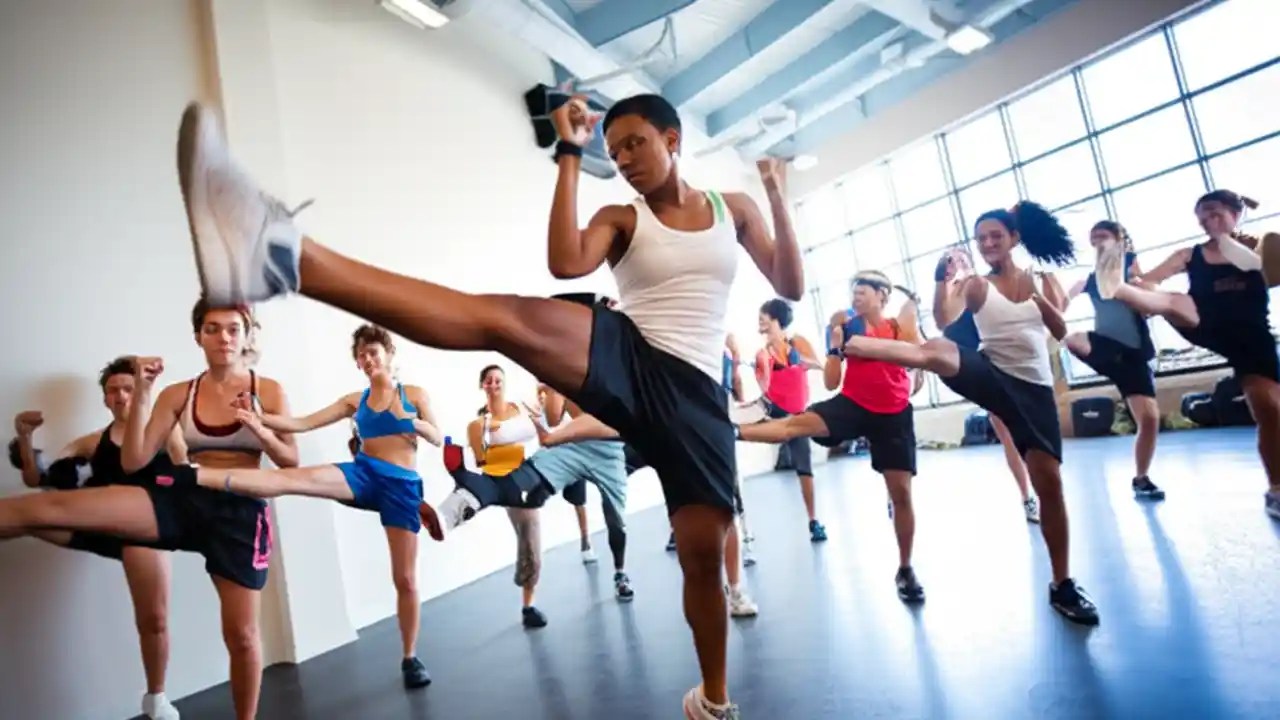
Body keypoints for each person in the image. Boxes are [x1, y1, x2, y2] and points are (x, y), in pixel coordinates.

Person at [175, 88, 802, 718]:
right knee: (499, 318)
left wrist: (775, 190)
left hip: (698, 396)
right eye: (615, 151)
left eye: (636, 143)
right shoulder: (622, 217)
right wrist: (569, 153)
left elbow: (790, 284)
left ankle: (715, 698)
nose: (627, 159)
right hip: (632, 352)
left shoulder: (734, 208)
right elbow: (564, 264)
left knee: (700, 558)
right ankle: (281, 256)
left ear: (672, 140)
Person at [0, 301, 297, 720]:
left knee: (243, 636)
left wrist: (258, 427)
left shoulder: (269, 390)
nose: (224, 338)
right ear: (198, 336)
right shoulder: (179, 393)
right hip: (185, 496)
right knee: (43, 507)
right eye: (212, 329)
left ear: (247, 335)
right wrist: (141, 391)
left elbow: (290, 461)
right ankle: (156, 696)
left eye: (233, 329)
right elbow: (133, 463)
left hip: (240, 511)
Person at [837, 202, 1098, 625]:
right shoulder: (977, 285)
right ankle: (859, 346)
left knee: (1049, 483)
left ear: (1014, 238)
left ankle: (1062, 583)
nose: (989, 244)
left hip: (1034, 390)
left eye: (996, 235)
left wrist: (1038, 298)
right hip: (992, 374)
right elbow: (944, 318)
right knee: (938, 349)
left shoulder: (1042, 278)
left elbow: (1059, 328)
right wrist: (943, 281)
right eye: (981, 239)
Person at [177, 323, 440, 688]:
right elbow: (301, 423)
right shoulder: (354, 401)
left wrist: (417, 425)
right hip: (363, 475)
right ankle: (198, 475)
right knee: (293, 479)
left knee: (406, 579)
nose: (367, 360)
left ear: (388, 353)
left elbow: (439, 437)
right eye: (361, 355)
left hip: (401, 486)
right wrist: (259, 418)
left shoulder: (413, 393)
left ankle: (410, 656)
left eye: (372, 353)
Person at [10, 357, 186, 720]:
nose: (121, 396)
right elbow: (38, 480)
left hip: (145, 530)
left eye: (128, 388)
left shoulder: (164, 430)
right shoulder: (92, 442)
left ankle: (156, 697)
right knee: (30, 517)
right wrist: (25, 437)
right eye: (113, 391)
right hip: (101, 527)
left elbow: (186, 470)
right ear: (105, 399)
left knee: (153, 619)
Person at [737, 271, 926, 602]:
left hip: (894, 412)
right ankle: (733, 431)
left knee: (902, 496)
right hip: (852, 403)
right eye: (853, 292)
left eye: (862, 291)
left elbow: (917, 355)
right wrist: (836, 348)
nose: (855, 297)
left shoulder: (899, 326)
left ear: (882, 295)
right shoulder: (844, 325)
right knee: (795, 426)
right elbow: (829, 382)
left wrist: (918, 363)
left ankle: (906, 568)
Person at [1096, 189, 1279, 519]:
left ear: (1235, 213)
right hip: (1202, 320)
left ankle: (1276, 488)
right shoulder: (1190, 254)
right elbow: (1151, 279)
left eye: (1215, 214)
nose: (1209, 222)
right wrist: (1137, 283)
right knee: (1169, 299)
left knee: (1269, 410)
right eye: (1203, 217)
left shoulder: (1258, 246)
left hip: (1251, 339)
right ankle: (1116, 287)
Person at [438, 377, 637, 602]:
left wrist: (541, 422)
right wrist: (553, 390)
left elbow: (553, 436)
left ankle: (620, 573)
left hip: (609, 454)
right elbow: (554, 419)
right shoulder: (568, 377)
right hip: (575, 447)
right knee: (529, 491)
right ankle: (469, 497)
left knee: (616, 522)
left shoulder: (615, 391)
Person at [1063, 221, 1164, 500]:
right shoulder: (1088, 279)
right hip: (1106, 347)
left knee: (1150, 418)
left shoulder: (1130, 265)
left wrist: (1145, 295)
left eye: (1104, 236)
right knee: (1072, 339)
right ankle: (1113, 366)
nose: (1098, 242)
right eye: (1094, 238)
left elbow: (1148, 293)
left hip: (1132, 354)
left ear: (1120, 240)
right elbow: (1060, 303)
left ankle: (1141, 478)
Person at [944, 309, 1041, 523]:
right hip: (991, 374)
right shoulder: (959, 311)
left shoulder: (998, 300)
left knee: (1034, 436)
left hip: (1019, 369)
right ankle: (1028, 496)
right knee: (1009, 437)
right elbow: (947, 329)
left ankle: (1041, 491)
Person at [474, 364, 548, 629]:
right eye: (489, 381)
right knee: (528, 536)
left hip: (528, 475)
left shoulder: (519, 409)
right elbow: (479, 459)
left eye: (498, 380)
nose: (494, 385)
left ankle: (529, 601)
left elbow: (539, 428)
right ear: (482, 385)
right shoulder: (480, 421)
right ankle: (528, 600)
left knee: (532, 540)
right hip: (506, 483)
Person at [753, 298, 825, 541]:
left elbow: (819, 365)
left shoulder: (797, 343)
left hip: (796, 417)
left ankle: (813, 521)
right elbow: (763, 385)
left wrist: (802, 362)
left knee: (804, 469)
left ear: (776, 319)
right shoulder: (763, 354)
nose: (760, 321)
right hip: (772, 414)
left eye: (763, 317)